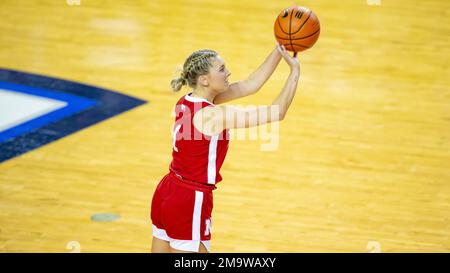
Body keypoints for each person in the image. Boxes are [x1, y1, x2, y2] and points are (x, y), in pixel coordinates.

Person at [150, 44, 300, 253]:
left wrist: (280, 49)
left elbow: (250, 85)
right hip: (190, 199)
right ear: (204, 79)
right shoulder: (216, 115)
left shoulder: (188, 101)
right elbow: (278, 112)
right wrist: (295, 72)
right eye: (221, 69)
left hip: (167, 190)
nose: (228, 72)